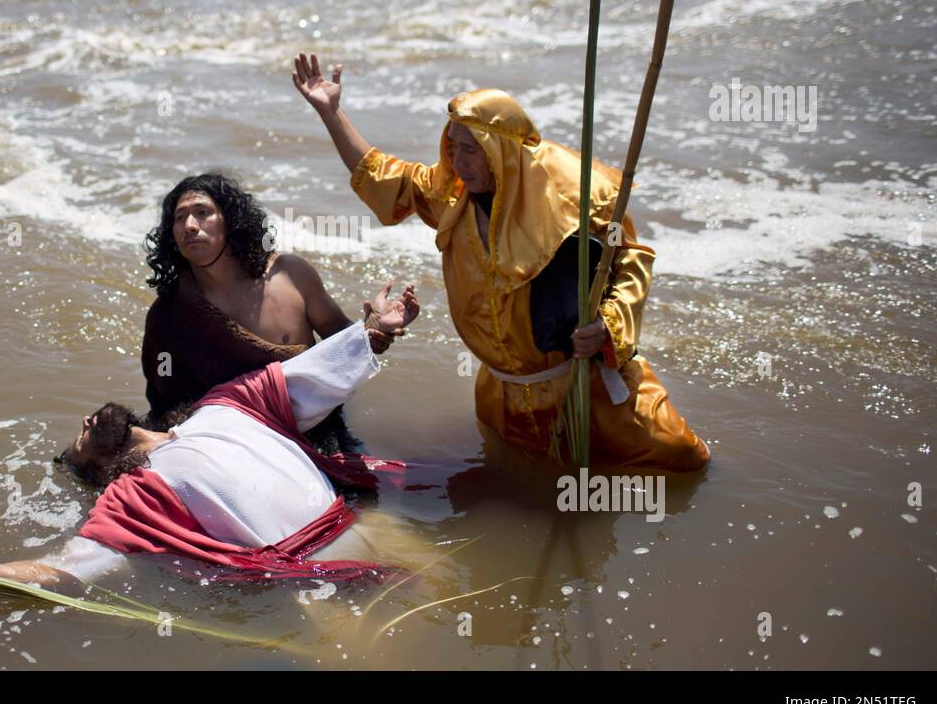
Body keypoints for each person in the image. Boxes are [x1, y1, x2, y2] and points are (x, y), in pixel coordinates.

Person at [292, 52, 709, 472]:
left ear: (501, 153)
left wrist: (608, 325)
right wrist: (331, 113)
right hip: (504, 398)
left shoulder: (581, 194)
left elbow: (632, 260)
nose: (457, 162)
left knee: (682, 457)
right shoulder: (454, 196)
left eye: (470, 151)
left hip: (588, 384)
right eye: (451, 147)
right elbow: (383, 175)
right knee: (520, 489)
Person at [0, 281, 418, 590]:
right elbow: (61, 571)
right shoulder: (133, 502)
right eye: (77, 449)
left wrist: (377, 330)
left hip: (368, 527)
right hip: (322, 577)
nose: (84, 426)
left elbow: (314, 374)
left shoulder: (223, 404)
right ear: (98, 474)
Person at [141, 173, 389, 455]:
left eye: (202, 213)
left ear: (231, 221)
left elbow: (342, 337)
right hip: (227, 442)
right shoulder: (169, 315)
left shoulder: (291, 275)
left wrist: (374, 330)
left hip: (312, 430)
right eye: (179, 217)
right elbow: (165, 400)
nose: (190, 225)